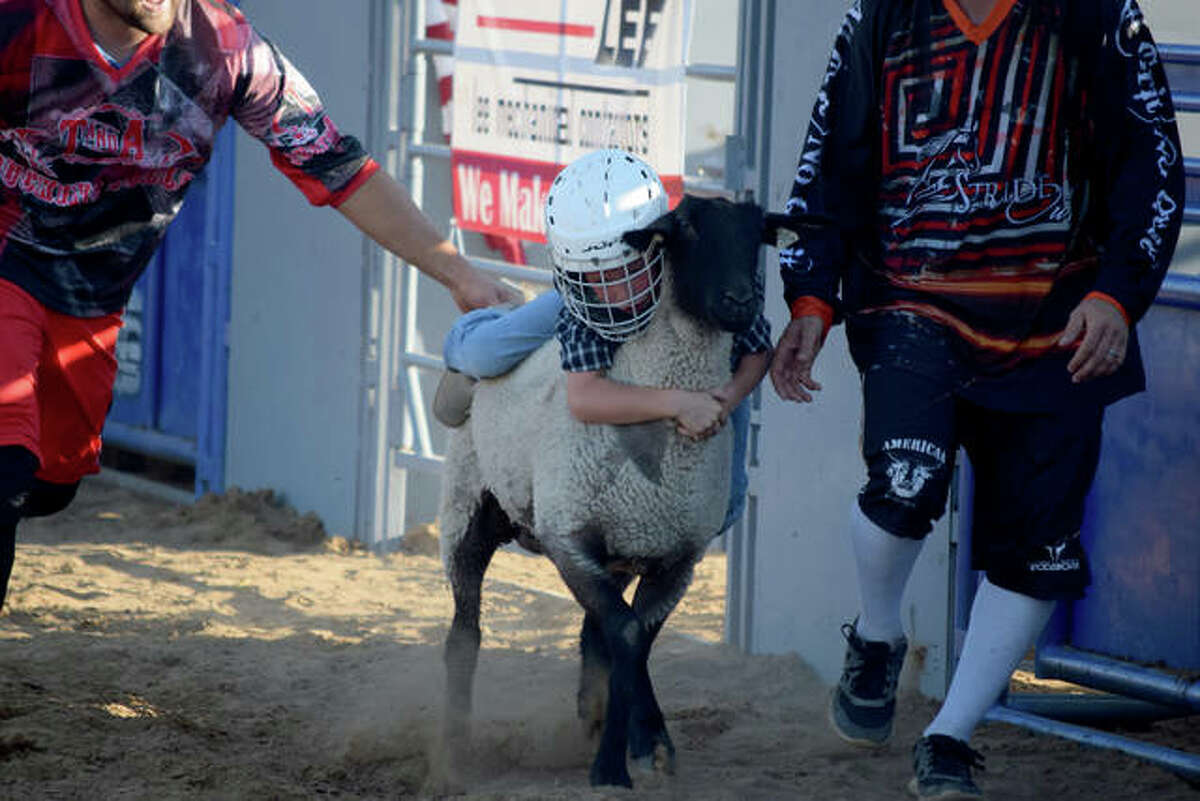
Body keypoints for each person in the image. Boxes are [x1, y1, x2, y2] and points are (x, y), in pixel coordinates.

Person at [770, 0, 1185, 797]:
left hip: (1061, 318)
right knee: (903, 484)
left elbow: (1151, 157)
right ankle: (879, 635)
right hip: (910, 301)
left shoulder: (1100, 12)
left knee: (1039, 552)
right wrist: (812, 297)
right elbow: (830, 158)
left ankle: (949, 737)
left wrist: (1118, 293)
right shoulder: (880, 12)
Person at [0, 0, 520, 611]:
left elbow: (338, 164)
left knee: (48, 487)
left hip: (92, 302)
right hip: (8, 264)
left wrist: (459, 274)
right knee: (5, 468)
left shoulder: (227, 49)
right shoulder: (19, 20)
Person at [435, 148, 773, 535]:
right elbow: (583, 397)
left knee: (726, 506)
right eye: (596, 274)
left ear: (657, 242)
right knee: (483, 354)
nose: (615, 291)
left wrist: (722, 401)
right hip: (579, 303)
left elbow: (757, 348)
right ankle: (487, 323)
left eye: (627, 269)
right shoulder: (591, 296)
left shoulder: (706, 282)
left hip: (666, 308)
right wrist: (680, 403)